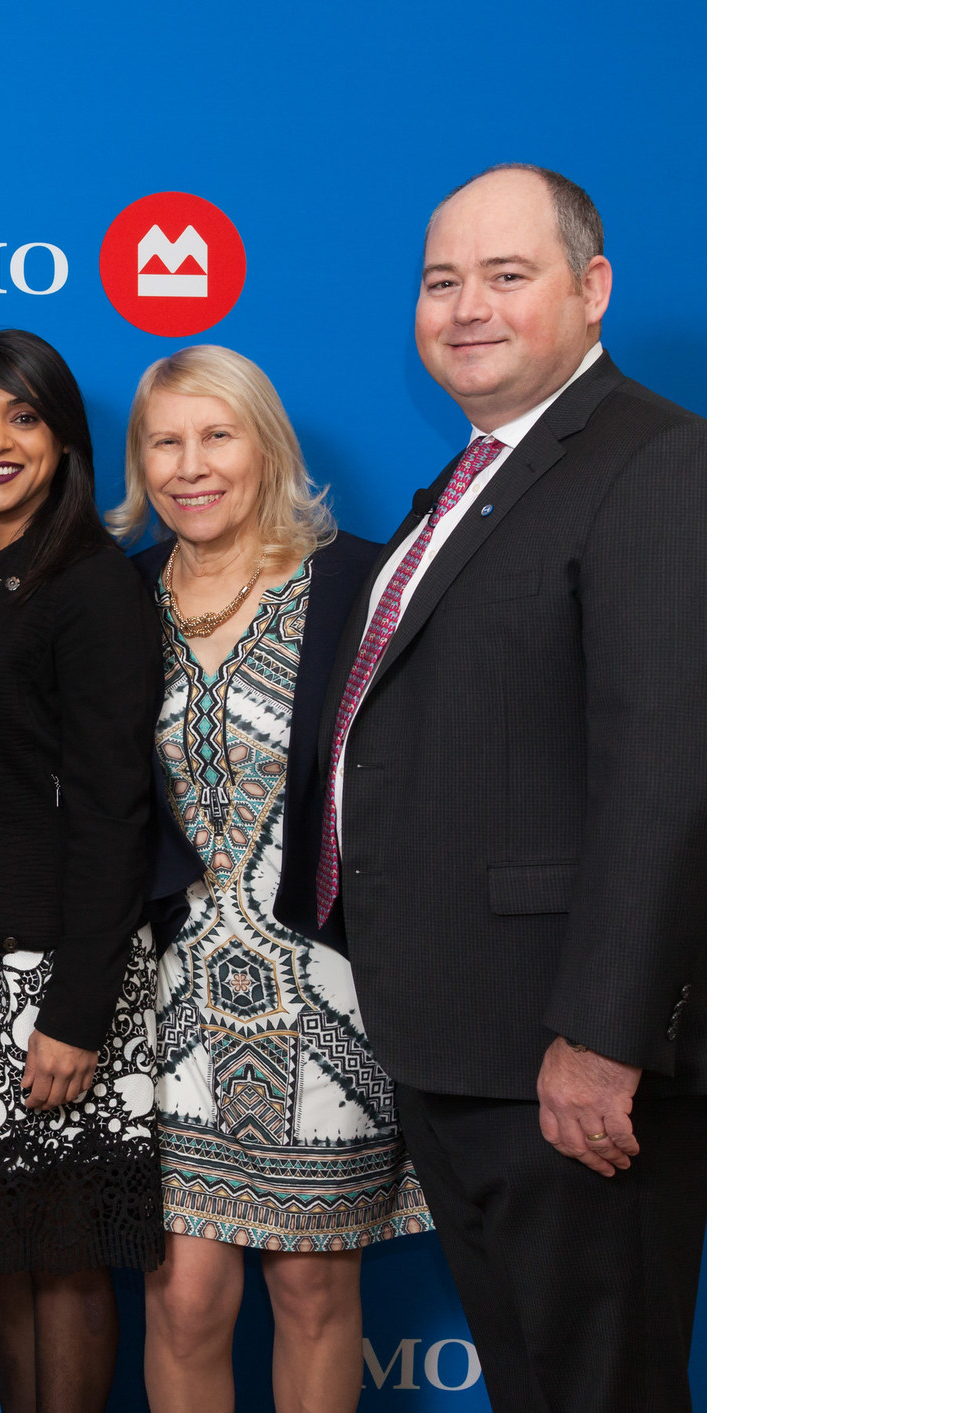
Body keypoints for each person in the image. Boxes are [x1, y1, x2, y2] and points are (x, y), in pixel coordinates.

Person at [301, 164, 705, 1412]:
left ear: (592, 291)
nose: (465, 306)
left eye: (506, 275)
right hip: (457, 1046)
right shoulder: (478, 472)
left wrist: (600, 1038)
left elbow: (667, 769)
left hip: (565, 1058)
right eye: (440, 280)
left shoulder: (653, 463)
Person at [112, 346, 426, 1413]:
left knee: (310, 1289)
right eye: (166, 441)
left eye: (217, 436)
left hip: (326, 998)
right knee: (185, 1298)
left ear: (267, 447)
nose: (191, 466)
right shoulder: (118, 598)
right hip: (170, 1004)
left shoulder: (362, 587)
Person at [0, 330, 162, 1413]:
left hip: (59, 969)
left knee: (65, 1253)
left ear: (64, 440)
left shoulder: (89, 584)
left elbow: (115, 813)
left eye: (24, 417)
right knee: (1, 1246)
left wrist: (79, 1011)